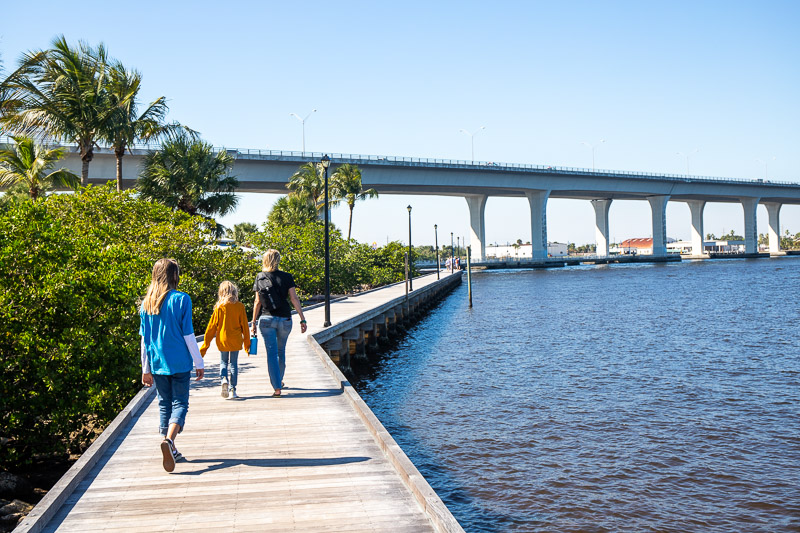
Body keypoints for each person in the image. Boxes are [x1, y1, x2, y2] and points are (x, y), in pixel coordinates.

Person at [139, 258, 204, 473]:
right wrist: (198, 361)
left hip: (157, 363)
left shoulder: (146, 303)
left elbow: (145, 341)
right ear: (175, 276)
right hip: (179, 362)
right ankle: (169, 441)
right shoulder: (182, 299)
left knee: (164, 404)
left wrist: (145, 369)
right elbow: (188, 334)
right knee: (180, 404)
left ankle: (170, 446)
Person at [251, 249, 307, 397]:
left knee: (271, 353)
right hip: (285, 319)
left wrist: (253, 322)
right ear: (278, 260)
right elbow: (294, 298)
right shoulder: (287, 277)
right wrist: (302, 318)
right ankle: (279, 379)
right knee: (281, 351)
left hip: (266, 319)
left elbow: (257, 302)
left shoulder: (260, 277)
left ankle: (277, 387)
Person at [199, 281, 251, 400]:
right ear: (234, 291)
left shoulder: (219, 307)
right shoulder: (240, 306)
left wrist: (204, 347)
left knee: (223, 362)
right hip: (236, 339)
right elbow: (245, 326)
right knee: (233, 364)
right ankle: (233, 389)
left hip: (222, 339)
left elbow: (211, 328)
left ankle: (223, 379)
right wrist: (247, 345)